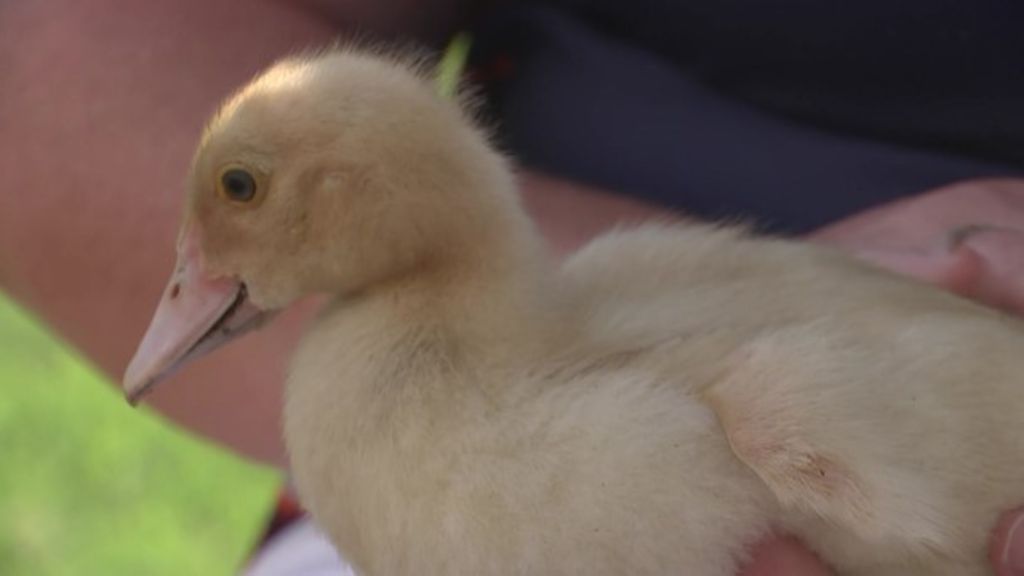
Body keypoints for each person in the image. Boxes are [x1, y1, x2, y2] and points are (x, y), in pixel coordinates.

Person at [2, 0, 1023, 574]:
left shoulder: (747, 409)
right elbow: (40, 48)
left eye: (238, 194)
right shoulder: (615, 281)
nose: (188, 280)